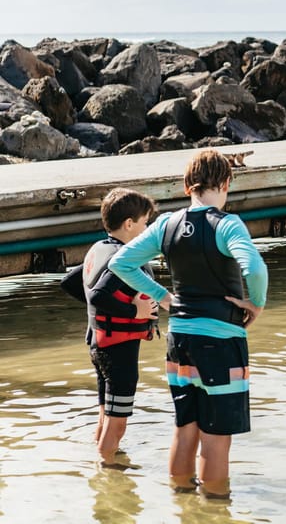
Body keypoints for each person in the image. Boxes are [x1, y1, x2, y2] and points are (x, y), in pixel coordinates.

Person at [109, 148, 268, 498]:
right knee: (215, 438)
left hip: (179, 338)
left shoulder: (166, 224)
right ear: (227, 183)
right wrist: (255, 304)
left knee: (185, 429)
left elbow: (121, 263)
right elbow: (255, 269)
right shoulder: (227, 224)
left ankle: (181, 504)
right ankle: (213, 508)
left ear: (186, 186)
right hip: (221, 342)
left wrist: (163, 297)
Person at [60, 187, 160, 467]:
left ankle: (103, 459)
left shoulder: (101, 248)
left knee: (105, 414)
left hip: (98, 344)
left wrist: (98, 314)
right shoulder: (123, 260)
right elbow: (98, 295)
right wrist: (133, 311)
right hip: (118, 351)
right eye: (145, 223)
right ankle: (110, 475)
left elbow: (69, 282)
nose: (147, 228)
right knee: (118, 423)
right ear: (129, 224)